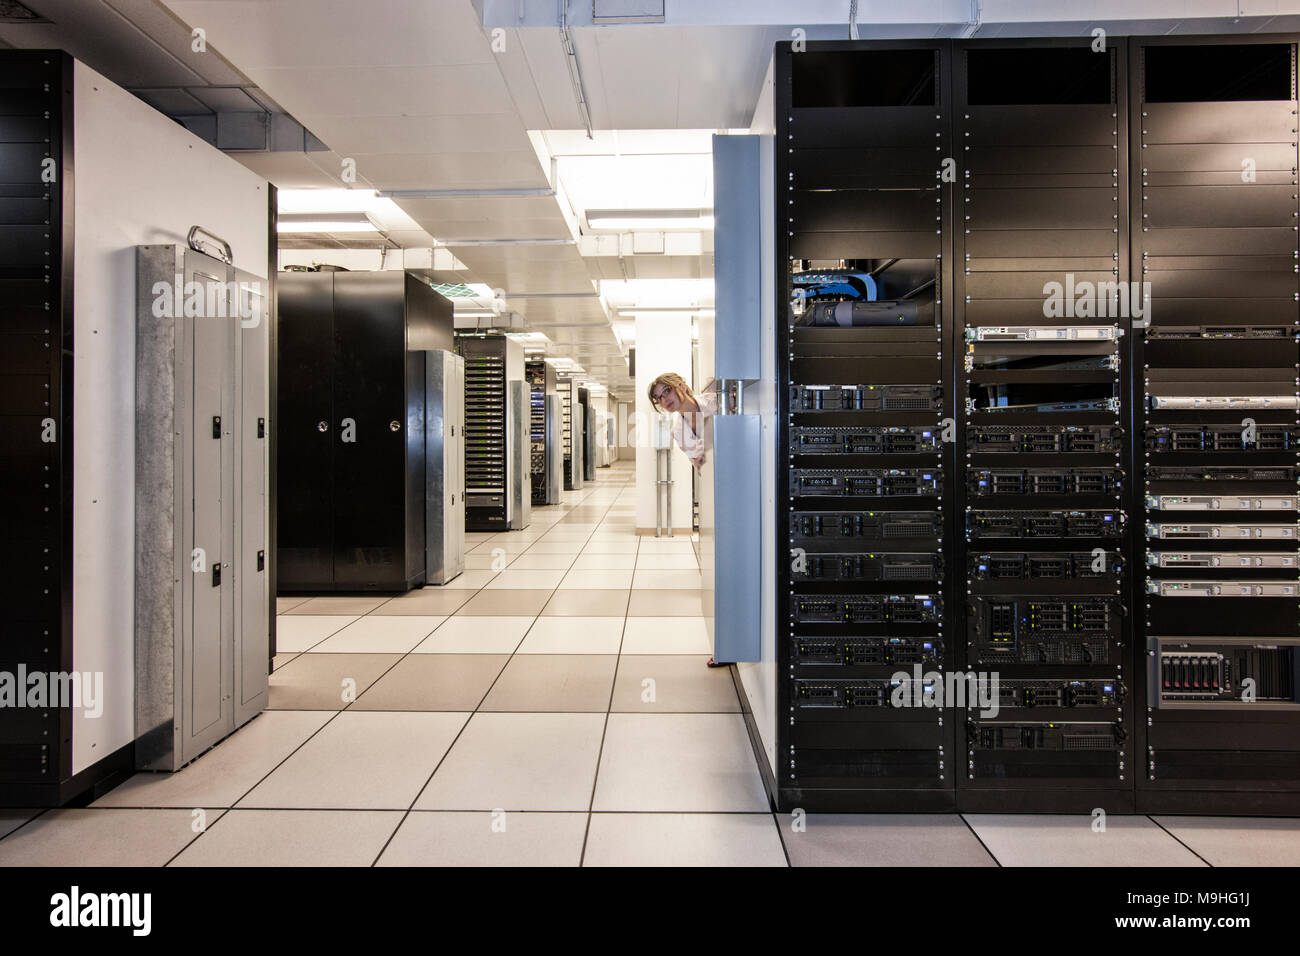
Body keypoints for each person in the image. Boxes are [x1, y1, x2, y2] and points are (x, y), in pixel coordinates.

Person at [647, 372, 726, 668]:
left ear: (680, 385)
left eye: (666, 391)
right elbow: (700, 464)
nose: (664, 400)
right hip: (719, 493)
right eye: (658, 398)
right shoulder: (678, 431)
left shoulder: (717, 403)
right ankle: (726, 642)